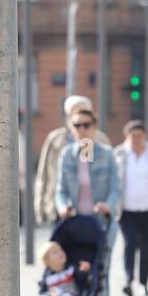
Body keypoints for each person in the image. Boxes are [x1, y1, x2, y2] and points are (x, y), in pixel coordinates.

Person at [55, 108, 119, 296]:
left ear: (94, 127)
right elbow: (60, 190)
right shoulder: (66, 155)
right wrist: (63, 207)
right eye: (77, 125)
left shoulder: (106, 154)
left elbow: (115, 189)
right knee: (71, 270)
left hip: (100, 223)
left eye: (86, 125)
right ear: (71, 129)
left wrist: (107, 206)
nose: (81, 130)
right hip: (74, 224)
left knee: (100, 272)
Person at [34, 95, 110, 225]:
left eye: (84, 111)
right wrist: (40, 206)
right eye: (74, 112)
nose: (79, 116)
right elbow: (44, 174)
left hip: (94, 210)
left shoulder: (101, 141)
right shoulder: (56, 139)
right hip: (61, 208)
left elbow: (111, 177)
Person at [114, 120, 148, 296]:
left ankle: (144, 282)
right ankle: (129, 279)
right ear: (126, 136)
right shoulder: (120, 154)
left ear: (145, 136)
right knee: (129, 244)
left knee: (146, 246)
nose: (136, 139)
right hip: (126, 209)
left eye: (140, 136)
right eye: (133, 136)